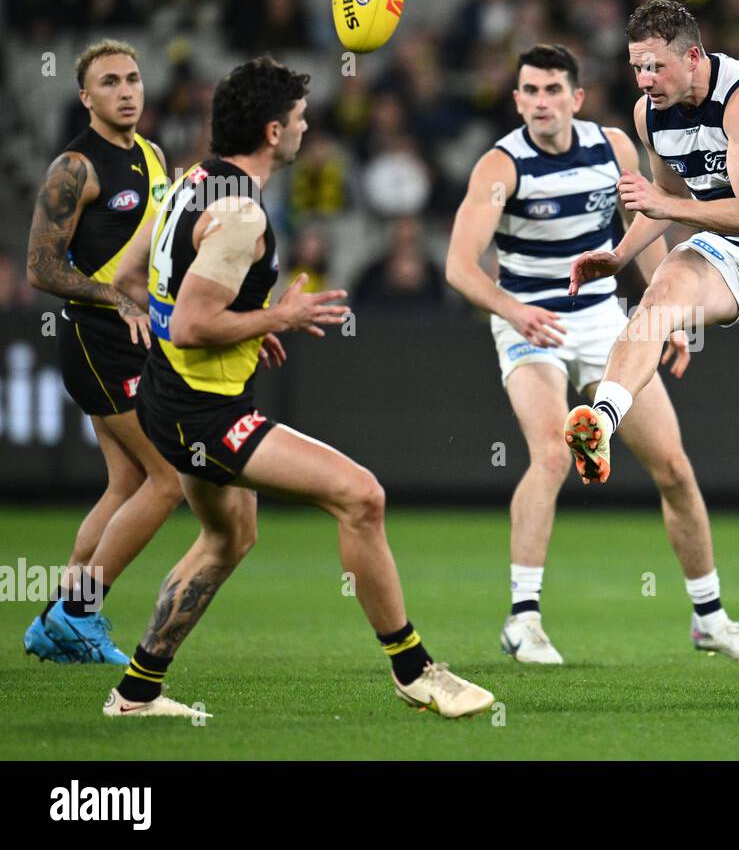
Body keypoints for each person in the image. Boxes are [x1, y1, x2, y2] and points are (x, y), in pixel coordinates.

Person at [101, 56, 493, 719]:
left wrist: (244, 331)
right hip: (205, 412)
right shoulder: (242, 215)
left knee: (228, 540)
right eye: (302, 120)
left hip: (171, 395)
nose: (308, 129)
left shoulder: (190, 181)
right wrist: (274, 316)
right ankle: (414, 669)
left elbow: (131, 280)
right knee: (361, 496)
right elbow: (195, 320)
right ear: (273, 132)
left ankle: (136, 694)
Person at [446, 43, 739, 666]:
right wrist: (514, 311)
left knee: (675, 469)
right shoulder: (500, 167)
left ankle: (710, 619)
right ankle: (524, 621)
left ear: (576, 98)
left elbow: (647, 225)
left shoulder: (615, 148)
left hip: (603, 320)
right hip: (531, 325)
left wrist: (666, 313)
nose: (541, 102)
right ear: (516, 100)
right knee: (549, 453)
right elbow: (459, 268)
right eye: (529, 92)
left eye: (553, 91)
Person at [564, 0, 739, 690]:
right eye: (635, 67)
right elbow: (664, 193)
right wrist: (620, 253)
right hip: (723, 248)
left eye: (655, 65)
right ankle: (600, 420)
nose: (644, 79)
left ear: (694, 55)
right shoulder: (649, 112)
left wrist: (669, 213)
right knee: (658, 299)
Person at [23, 39, 182, 665]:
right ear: (86, 97)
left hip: (140, 340)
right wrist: (112, 296)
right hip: (97, 342)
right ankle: (78, 612)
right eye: (110, 82)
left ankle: (53, 623)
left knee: (126, 481)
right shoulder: (75, 167)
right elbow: (39, 267)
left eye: (134, 79)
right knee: (167, 479)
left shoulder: (153, 155)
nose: (126, 91)